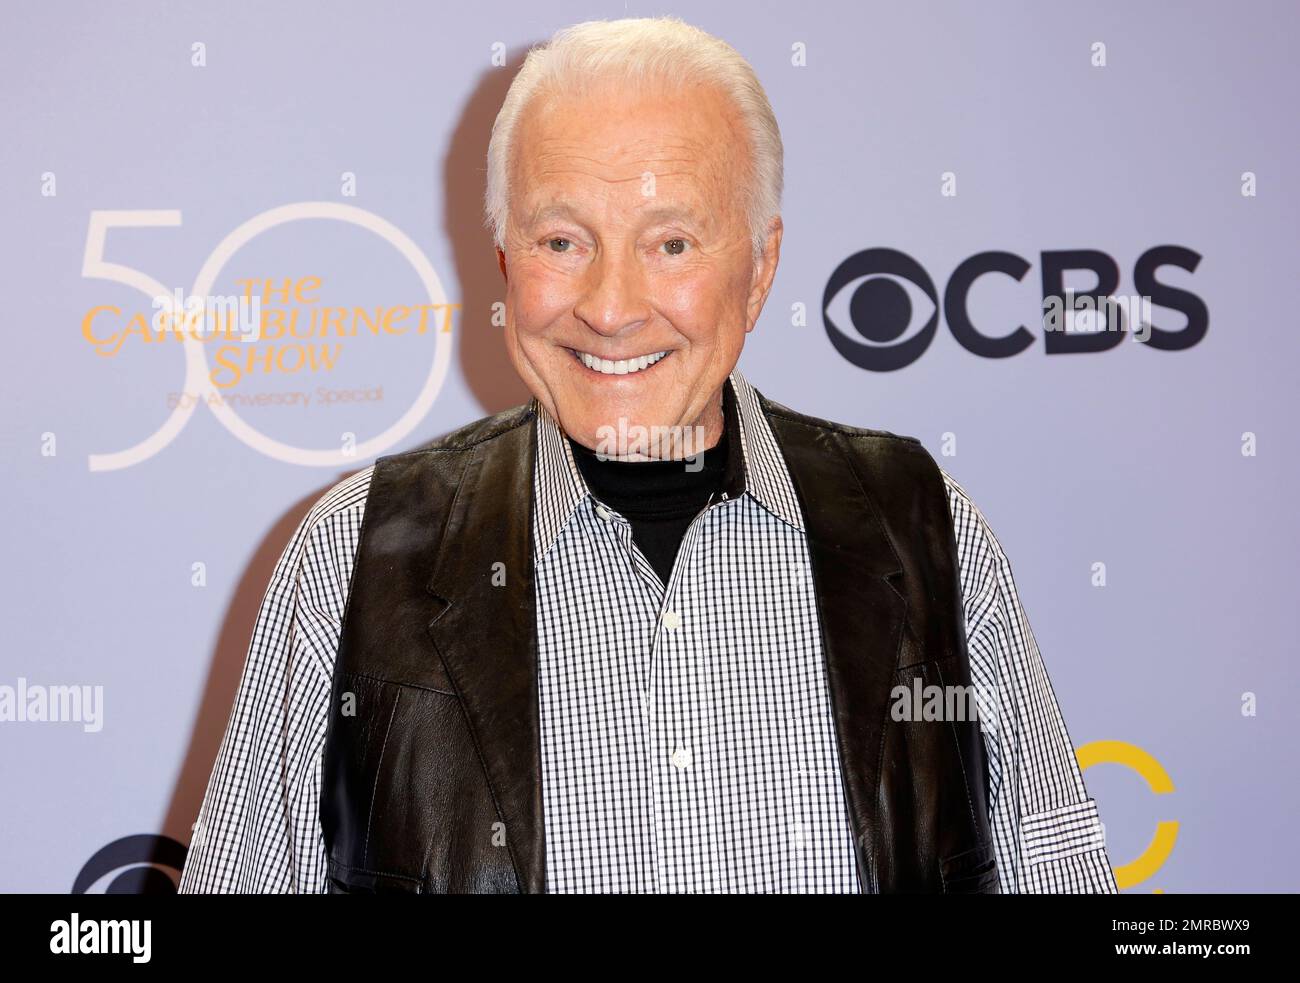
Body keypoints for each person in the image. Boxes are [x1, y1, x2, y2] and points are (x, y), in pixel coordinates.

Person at [179, 15, 1116, 894]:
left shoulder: (922, 528)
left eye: (671, 242)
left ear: (760, 267)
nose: (612, 305)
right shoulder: (354, 556)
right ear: (506, 260)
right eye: (561, 240)